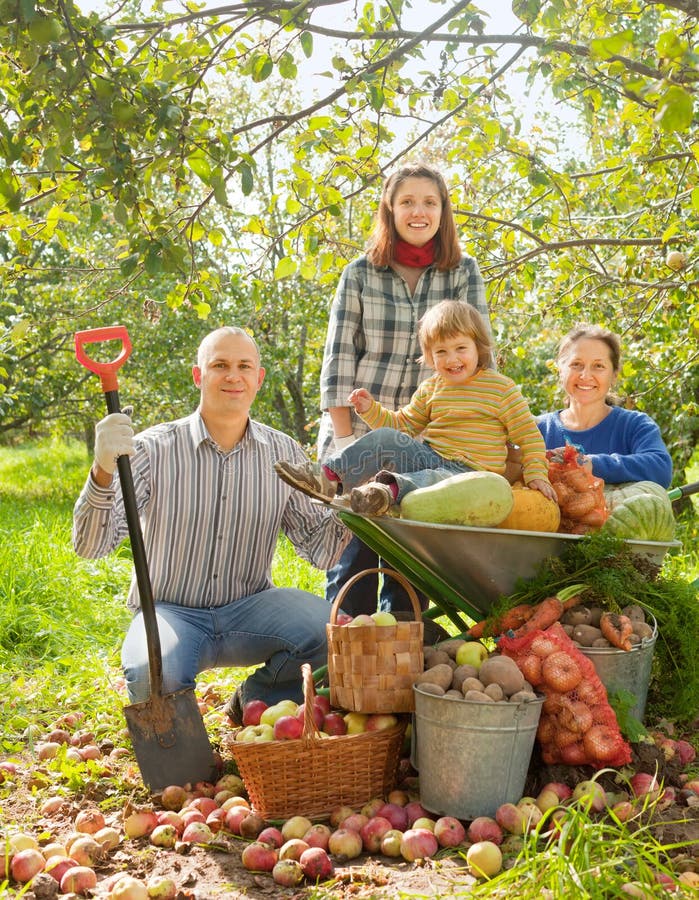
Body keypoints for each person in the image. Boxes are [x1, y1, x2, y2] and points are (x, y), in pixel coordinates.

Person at [72, 326, 351, 724]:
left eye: (244, 366)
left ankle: (256, 699)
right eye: (220, 365)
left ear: (259, 378)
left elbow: (319, 551)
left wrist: (348, 505)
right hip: (170, 613)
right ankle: (178, 750)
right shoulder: (152, 449)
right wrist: (102, 470)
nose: (233, 376)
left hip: (251, 609)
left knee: (330, 634)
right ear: (198, 375)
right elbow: (90, 546)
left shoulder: (284, 452)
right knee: (151, 673)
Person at [318, 162, 492, 614]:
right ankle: (344, 647)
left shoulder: (462, 272)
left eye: (430, 202)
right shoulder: (361, 273)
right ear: (390, 209)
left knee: (410, 563)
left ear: (443, 211)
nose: (419, 212)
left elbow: (480, 357)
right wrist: (345, 439)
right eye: (408, 202)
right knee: (354, 555)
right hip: (360, 435)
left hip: (428, 444)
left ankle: (403, 647)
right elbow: (338, 359)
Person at [277, 301, 556, 518]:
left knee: (434, 480)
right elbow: (403, 426)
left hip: (472, 476)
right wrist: (371, 410)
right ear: (430, 357)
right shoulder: (431, 387)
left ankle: (383, 493)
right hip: (430, 457)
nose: (452, 359)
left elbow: (529, 437)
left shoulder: (501, 388)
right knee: (386, 437)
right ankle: (328, 478)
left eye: (461, 348)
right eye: (441, 352)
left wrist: (536, 475)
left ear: (478, 347)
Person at [536, 324, 672, 487]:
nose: (586, 375)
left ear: (614, 375)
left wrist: (591, 464)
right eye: (576, 364)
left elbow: (661, 469)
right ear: (560, 371)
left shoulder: (634, 425)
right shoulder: (538, 429)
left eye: (598, 366)